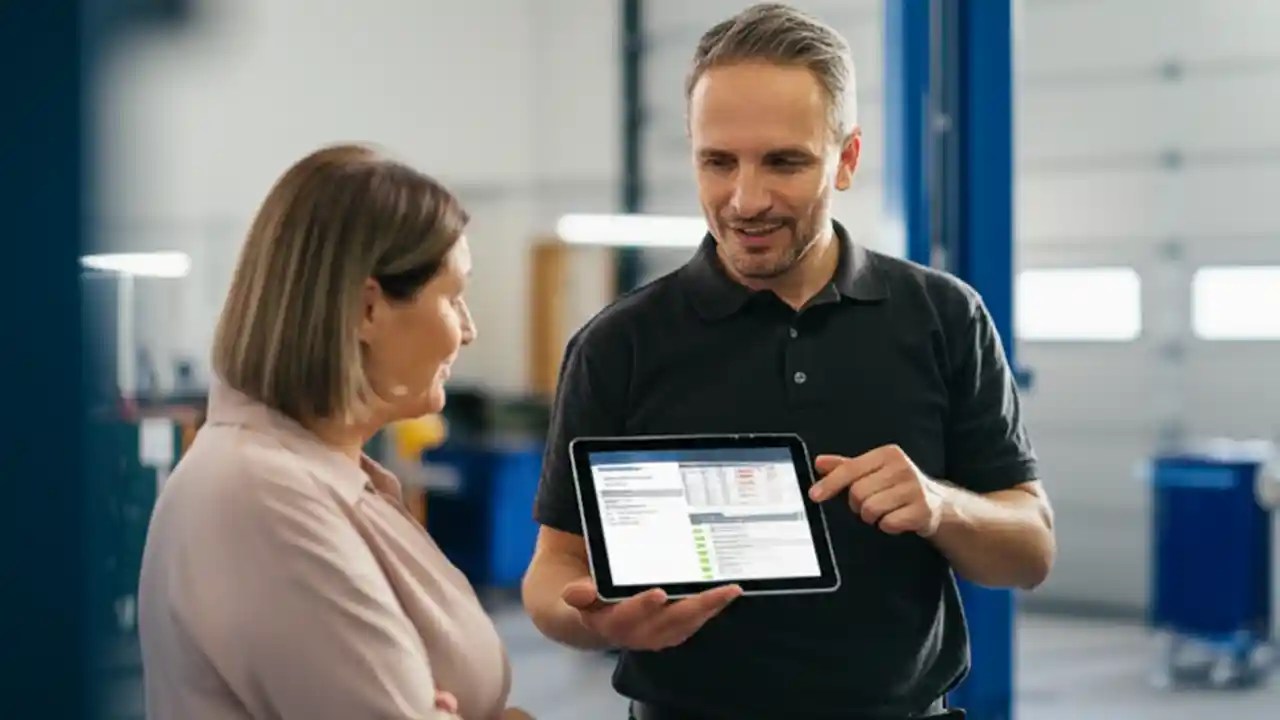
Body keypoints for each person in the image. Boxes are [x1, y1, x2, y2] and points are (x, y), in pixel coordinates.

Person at [520, 4, 1055, 719]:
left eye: (784, 161)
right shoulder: (619, 344)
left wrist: (938, 505)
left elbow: (1029, 551)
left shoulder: (943, 318)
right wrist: (592, 620)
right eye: (718, 161)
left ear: (849, 158)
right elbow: (554, 568)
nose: (746, 200)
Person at [137, 143, 533, 720]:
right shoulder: (261, 495)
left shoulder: (330, 475)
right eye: (452, 297)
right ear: (367, 310)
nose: (467, 331)